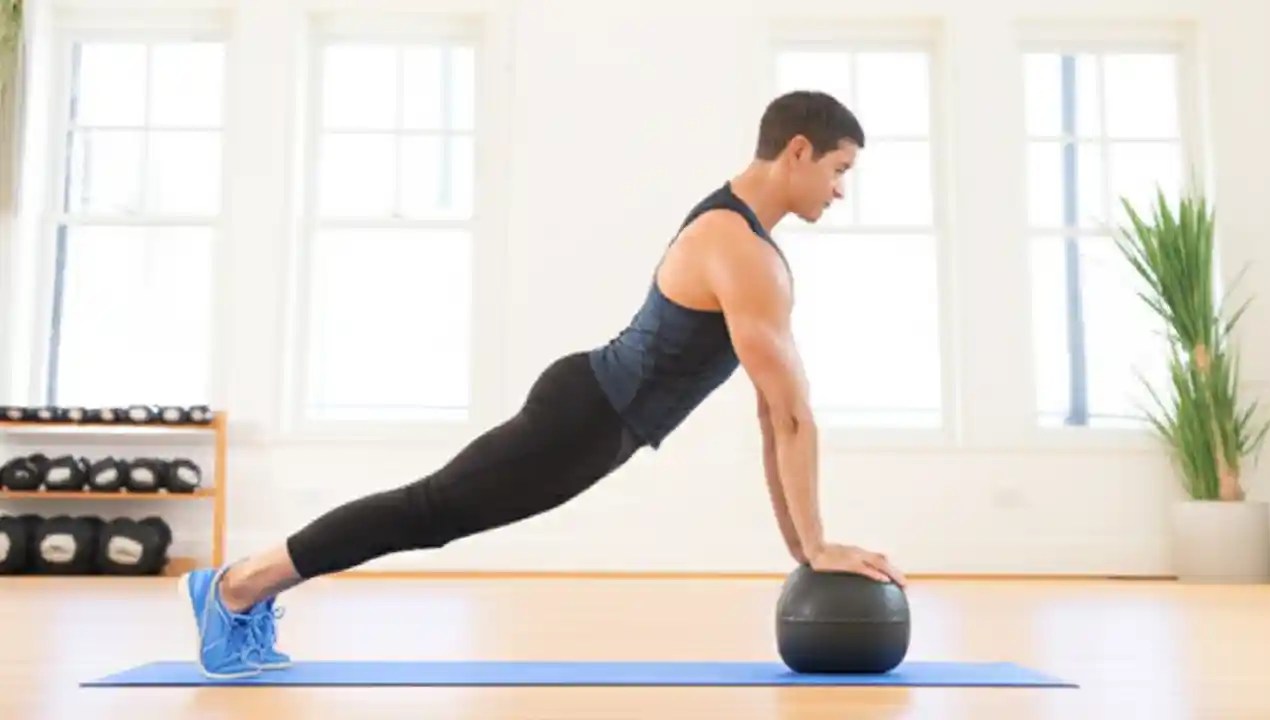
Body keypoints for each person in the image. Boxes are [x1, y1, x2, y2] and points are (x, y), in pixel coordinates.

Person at [180, 89, 907, 679]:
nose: (840, 190)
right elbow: (790, 414)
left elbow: (774, 415)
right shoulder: (738, 248)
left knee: (428, 513)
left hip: (592, 418)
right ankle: (236, 587)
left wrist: (804, 546)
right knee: (426, 511)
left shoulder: (745, 243)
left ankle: (242, 589)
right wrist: (817, 547)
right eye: (839, 169)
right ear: (798, 151)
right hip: (582, 418)